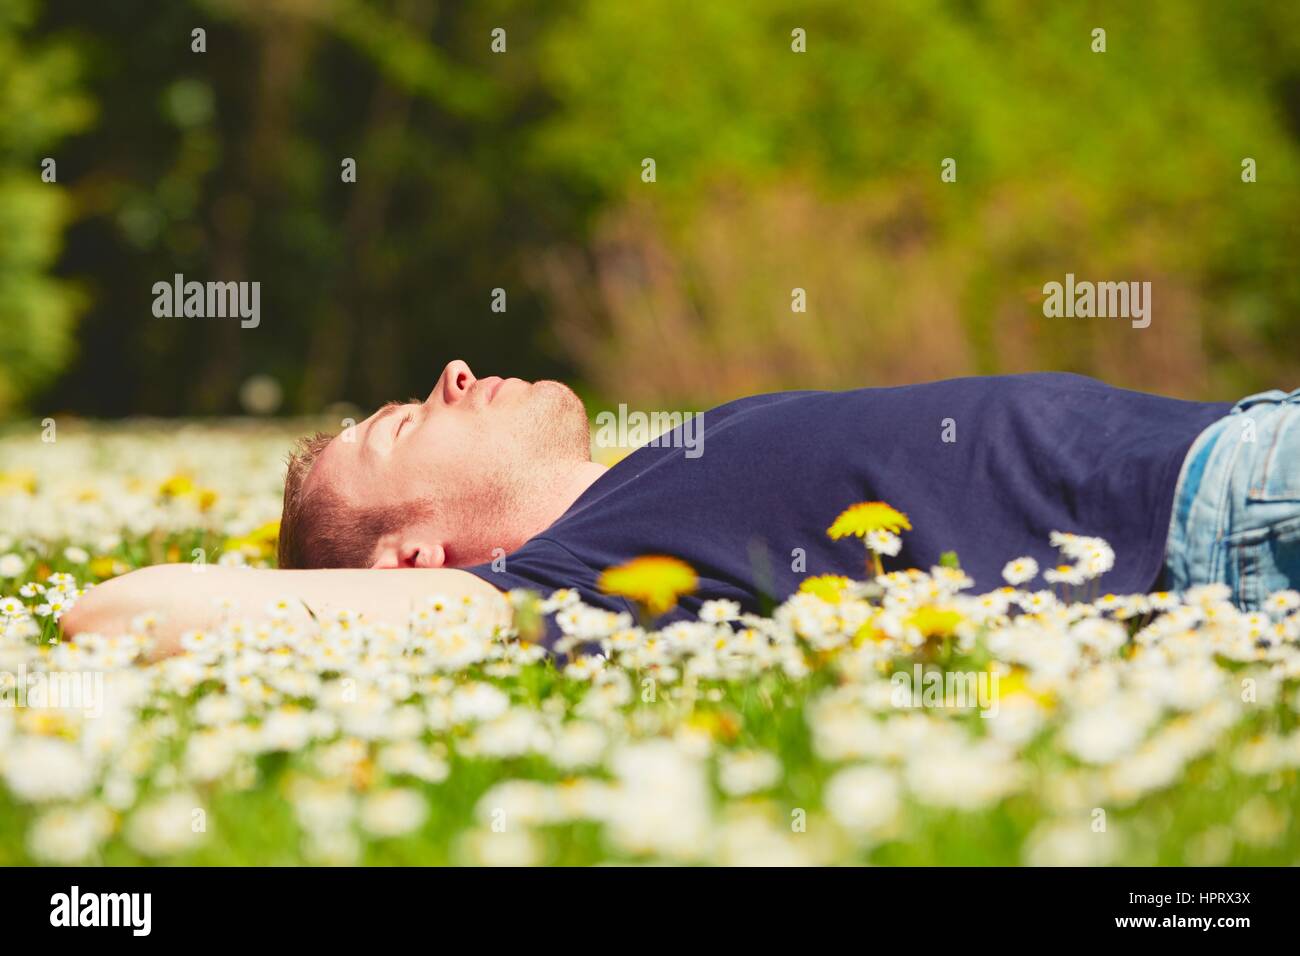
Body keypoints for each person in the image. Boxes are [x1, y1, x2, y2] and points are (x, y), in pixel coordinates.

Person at [63, 360, 1300, 654]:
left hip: (1247, 442)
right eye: (403, 427)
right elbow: (110, 616)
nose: (447, 374)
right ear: (413, 557)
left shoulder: (642, 490)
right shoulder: (566, 576)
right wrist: (354, 598)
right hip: (1228, 520)